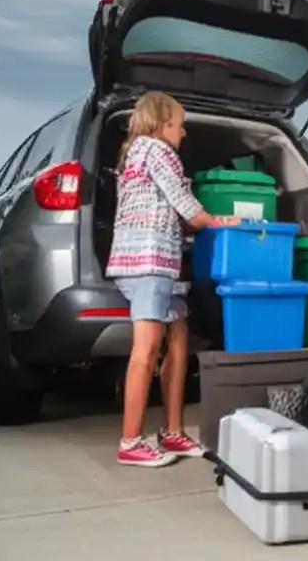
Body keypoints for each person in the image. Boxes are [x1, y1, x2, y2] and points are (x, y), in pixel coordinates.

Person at [106, 91, 225, 467]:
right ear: (160, 123)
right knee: (146, 350)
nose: (183, 132)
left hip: (156, 262)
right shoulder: (156, 151)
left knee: (178, 338)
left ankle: (172, 432)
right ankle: (130, 441)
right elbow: (186, 207)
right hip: (148, 261)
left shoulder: (134, 154)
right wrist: (220, 222)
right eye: (179, 124)